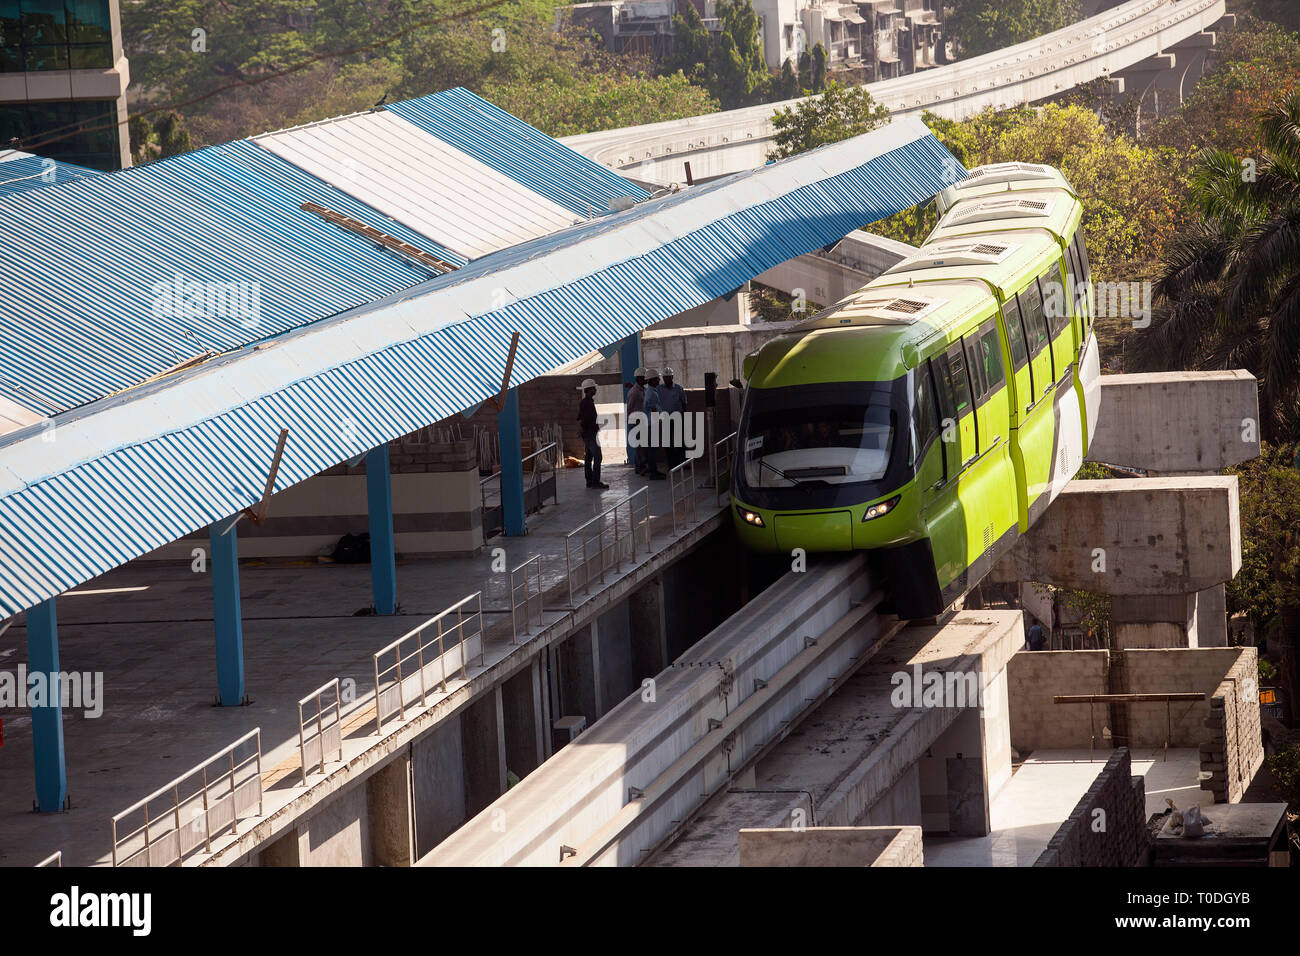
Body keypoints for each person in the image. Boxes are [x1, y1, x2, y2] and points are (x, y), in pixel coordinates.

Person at [576, 378, 608, 490]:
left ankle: (589, 481)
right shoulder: (587, 403)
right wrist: (583, 430)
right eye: (594, 388)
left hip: (588, 434)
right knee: (598, 457)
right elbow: (583, 419)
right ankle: (595, 482)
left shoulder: (586, 402)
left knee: (589, 458)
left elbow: (580, 418)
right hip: (590, 434)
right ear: (589, 389)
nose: (595, 389)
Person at [658, 366, 688, 470]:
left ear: (672, 377)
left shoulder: (679, 388)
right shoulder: (659, 389)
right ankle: (672, 465)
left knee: (680, 442)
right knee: (667, 443)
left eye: (669, 377)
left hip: (678, 417)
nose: (667, 379)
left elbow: (684, 403)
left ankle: (683, 463)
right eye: (665, 377)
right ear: (663, 378)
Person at [642, 368, 666, 479]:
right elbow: (654, 410)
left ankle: (654, 470)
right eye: (657, 379)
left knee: (653, 449)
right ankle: (653, 472)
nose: (659, 380)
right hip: (652, 424)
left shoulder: (651, 391)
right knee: (652, 449)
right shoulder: (651, 393)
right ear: (651, 380)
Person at [626, 367, 647, 475]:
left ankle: (641, 465)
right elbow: (630, 408)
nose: (646, 380)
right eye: (645, 378)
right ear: (639, 379)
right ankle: (639, 467)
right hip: (636, 421)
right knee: (639, 446)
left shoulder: (641, 390)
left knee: (641, 445)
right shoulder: (635, 392)